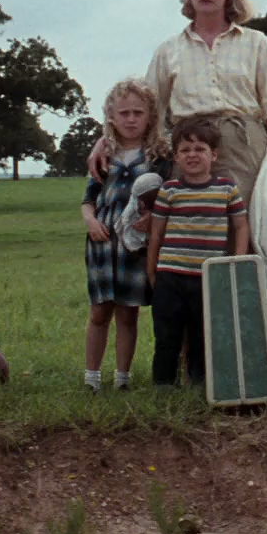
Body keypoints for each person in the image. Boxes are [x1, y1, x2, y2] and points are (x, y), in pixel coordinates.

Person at [92, 0, 267, 308]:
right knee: (189, 235)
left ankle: (252, 326)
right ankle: (195, 348)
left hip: (244, 144)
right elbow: (147, 107)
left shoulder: (255, 43)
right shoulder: (169, 50)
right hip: (188, 147)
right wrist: (104, 140)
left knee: (245, 230)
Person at [79, 79, 170, 392]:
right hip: (102, 244)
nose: (131, 119)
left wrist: (152, 219)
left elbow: (165, 198)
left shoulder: (157, 156)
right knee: (100, 311)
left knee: (128, 314)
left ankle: (122, 378)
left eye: (138, 112)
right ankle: (92, 378)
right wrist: (90, 221)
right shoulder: (104, 156)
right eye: (124, 113)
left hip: (135, 248)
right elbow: (88, 199)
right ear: (111, 117)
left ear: (149, 117)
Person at [146, 118, 249, 388]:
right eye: (185, 149)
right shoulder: (169, 191)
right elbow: (156, 233)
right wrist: (152, 270)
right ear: (176, 157)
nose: (192, 155)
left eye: (200, 148)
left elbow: (241, 227)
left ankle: (201, 384)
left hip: (208, 277)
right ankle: (164, 385)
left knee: (202, 334)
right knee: (167, 335)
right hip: (170, 276)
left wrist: (235, 262)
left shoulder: (227, 189)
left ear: (213, 155)